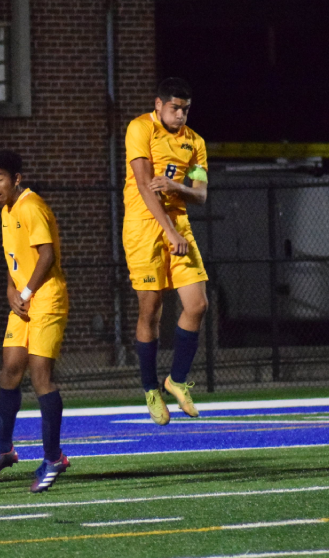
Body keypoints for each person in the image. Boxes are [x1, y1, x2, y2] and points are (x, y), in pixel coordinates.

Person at [0, 150, 71, 492]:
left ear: (16, 178)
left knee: (40, 375)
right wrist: (9, 290)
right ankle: (4, 450)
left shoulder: (31, 206)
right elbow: (14, 258)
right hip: (24, 299)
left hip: (46, 297)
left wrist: (26, 292)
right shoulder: (7, 210)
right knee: (10, 370)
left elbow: (47, 255)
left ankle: (53, 458)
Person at [123, 77, 209, 425]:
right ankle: (149, 388)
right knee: (152, 309)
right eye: (175, 108)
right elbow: (144, 185)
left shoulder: (196, 142)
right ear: (158, 105)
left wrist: (176, 186)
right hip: (145, 228)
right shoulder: (140, 128)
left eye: (186, 109)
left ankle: (175, 379)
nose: (181, 115)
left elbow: (201, 194)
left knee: (197, 304)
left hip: (179, 226)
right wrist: (169, 230)